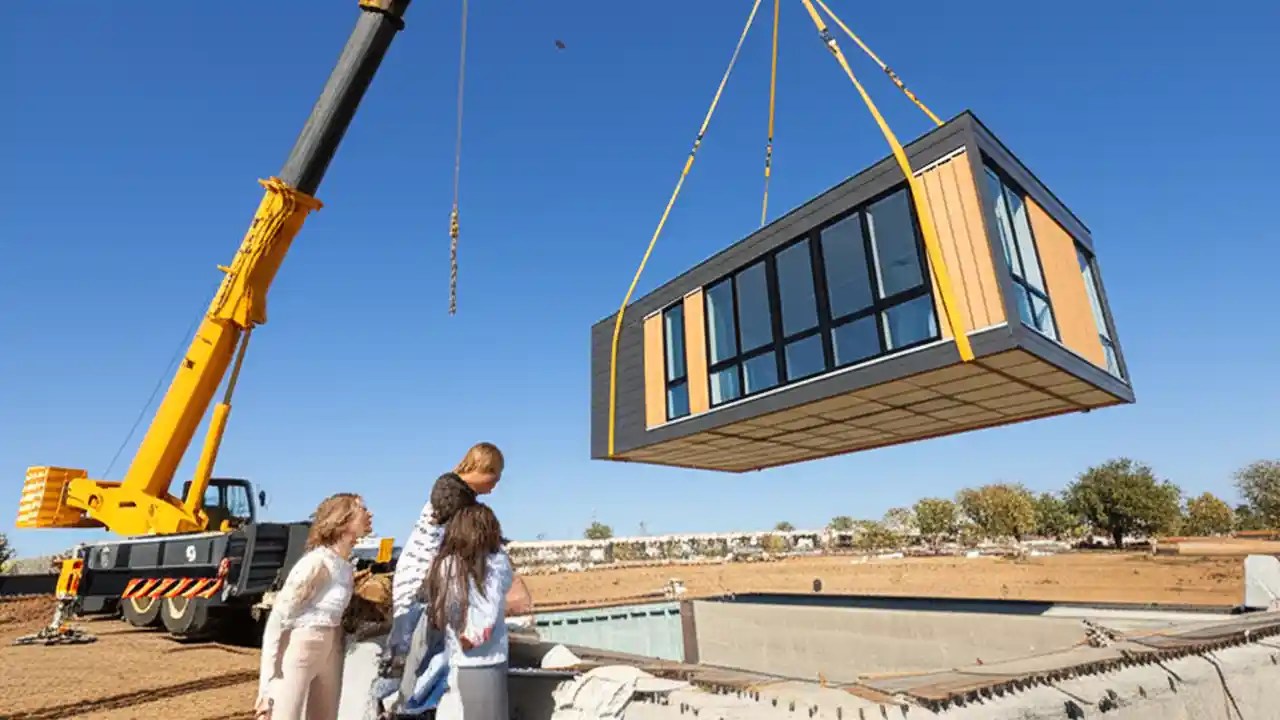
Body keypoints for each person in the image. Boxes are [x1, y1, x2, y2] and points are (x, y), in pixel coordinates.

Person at [389, 442, 532, 654]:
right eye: (495, 478)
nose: (494, 486)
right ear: (486, 469)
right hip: (418, 576)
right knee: (408, 643)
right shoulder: (449, 488)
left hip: (434, 577)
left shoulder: (463, 496)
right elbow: (465, 531)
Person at [255, 493, 374, 720]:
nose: (370, 514)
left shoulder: (345, 567)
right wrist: (268, 684)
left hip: (332, 646)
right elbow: (278, 621)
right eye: (362, 510)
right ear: (343, 520)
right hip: (300, 646)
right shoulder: (316, 563)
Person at [422, 503, 514, 720]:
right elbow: (491, 604)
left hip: (460, 658)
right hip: (489, 658)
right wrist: (473, 635)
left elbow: (451, 607)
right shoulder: (495, 562)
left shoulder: (447, 564)